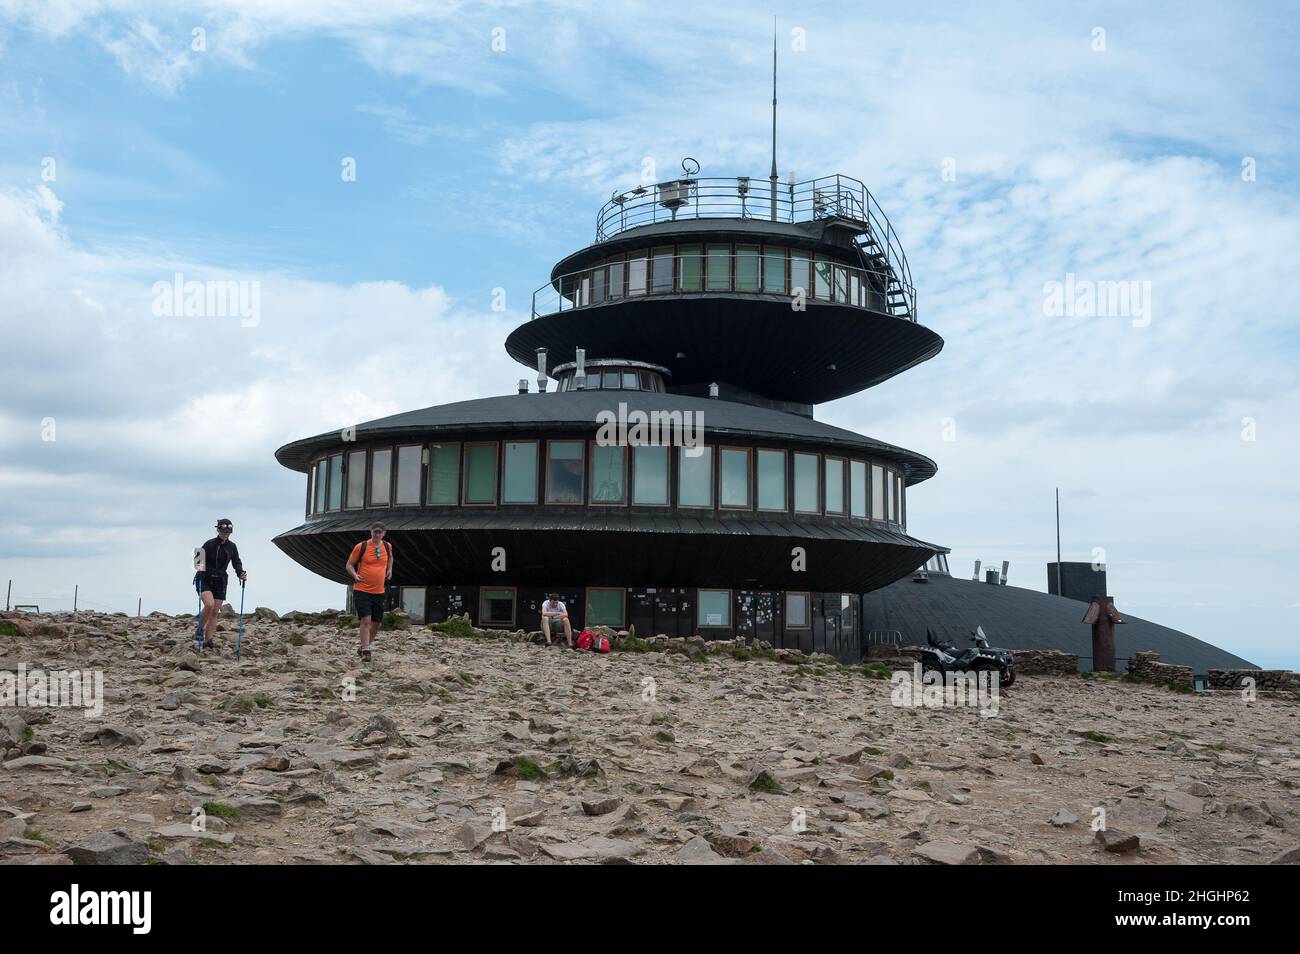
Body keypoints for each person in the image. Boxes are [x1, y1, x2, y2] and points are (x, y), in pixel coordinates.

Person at [195, 518, 246, 650]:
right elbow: (198, 558)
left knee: (215, 612)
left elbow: (236, 562)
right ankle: (199, 630)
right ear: (218, 530)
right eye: (223, 531)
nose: (225, 534)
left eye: (228, 532)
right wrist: (200, 570)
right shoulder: (209, 543)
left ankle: (209, 640)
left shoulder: (232, 546)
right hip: (205, 578)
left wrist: (240, 573)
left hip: (221, 580)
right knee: (209, 605)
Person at [346, 523, 393, 663]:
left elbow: (390, 558)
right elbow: (349, 564)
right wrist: (355, 575)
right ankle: (366, 650)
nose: (377, 535)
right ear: (371, 532)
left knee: (376, 623)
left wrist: (390, 569)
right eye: (374, 532)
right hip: (362, 589)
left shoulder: (387, 546)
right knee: (366, 620)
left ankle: (364, 646)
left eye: (379, 532)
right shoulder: (361, 547)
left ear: (384, 533)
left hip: (379, 591)